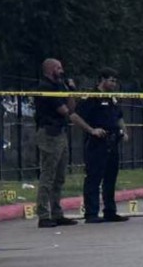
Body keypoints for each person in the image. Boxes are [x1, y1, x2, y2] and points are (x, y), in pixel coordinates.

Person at [32, 57, 106, 229]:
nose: (61, 71)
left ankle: (57, 213)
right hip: (49, 133)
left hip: (60, 133)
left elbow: (72, 108)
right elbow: (65, 111)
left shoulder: (59, 86)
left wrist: (71, 89)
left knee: (59, 177)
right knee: (48, 175)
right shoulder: (45, 88)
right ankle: (43, 215)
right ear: (50, 69)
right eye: (58, 68)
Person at [79, 69, 127, 224]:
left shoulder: (112, 98)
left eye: (115, 81)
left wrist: (124, 132)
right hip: (97, 142)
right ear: (102, 79)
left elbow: (119, 117)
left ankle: (110, 211)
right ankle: (91, 212)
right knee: (94, 177)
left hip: (113, 142)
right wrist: (92, 130)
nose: (114, 84)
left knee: (110, 178)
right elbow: (76, 115)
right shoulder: (91, 97)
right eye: (111, 80)